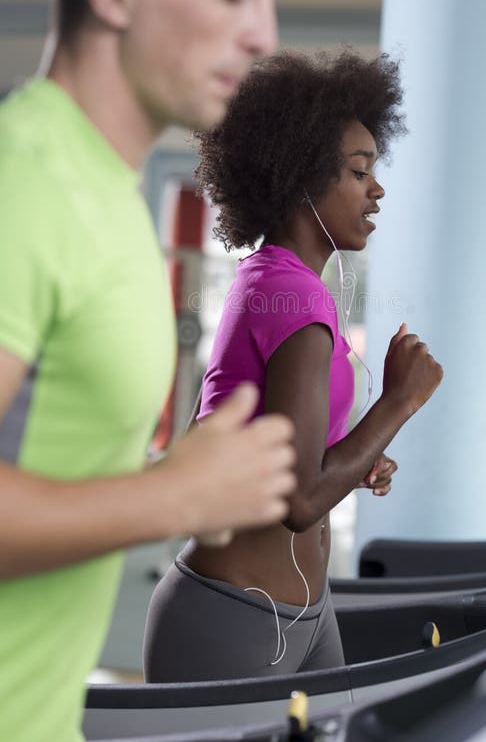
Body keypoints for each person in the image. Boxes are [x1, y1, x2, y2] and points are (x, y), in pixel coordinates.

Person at [0, 0, 300, 740]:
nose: (263, 33)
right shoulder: (25, 183)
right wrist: (176, 500)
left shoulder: (106, 194)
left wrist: (174, 476)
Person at [143, 50, 444, 682]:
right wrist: (400, 402)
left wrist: (356, 462)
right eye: (360, 172)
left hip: (304, 614)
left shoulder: (280, 282)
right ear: (305, 176)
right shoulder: (296, 300)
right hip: (234, 620)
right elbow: (300, 499)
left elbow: (294, 459)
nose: (378, 188)